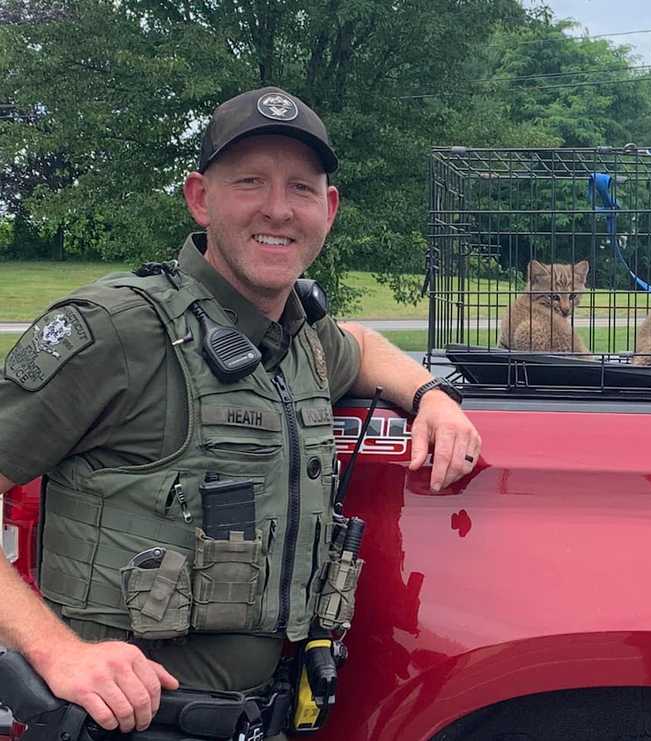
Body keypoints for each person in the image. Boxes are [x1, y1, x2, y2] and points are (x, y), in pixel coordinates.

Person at [0, 87, 481, 736]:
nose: (278, 209)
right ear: (201, 197)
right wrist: (58, 652)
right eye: (250, 181)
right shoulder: (117, 332)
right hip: (122, 725)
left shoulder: (300, 342)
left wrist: (431, 395)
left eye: (301, 189)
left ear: (329, 209)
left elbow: (362, 346)